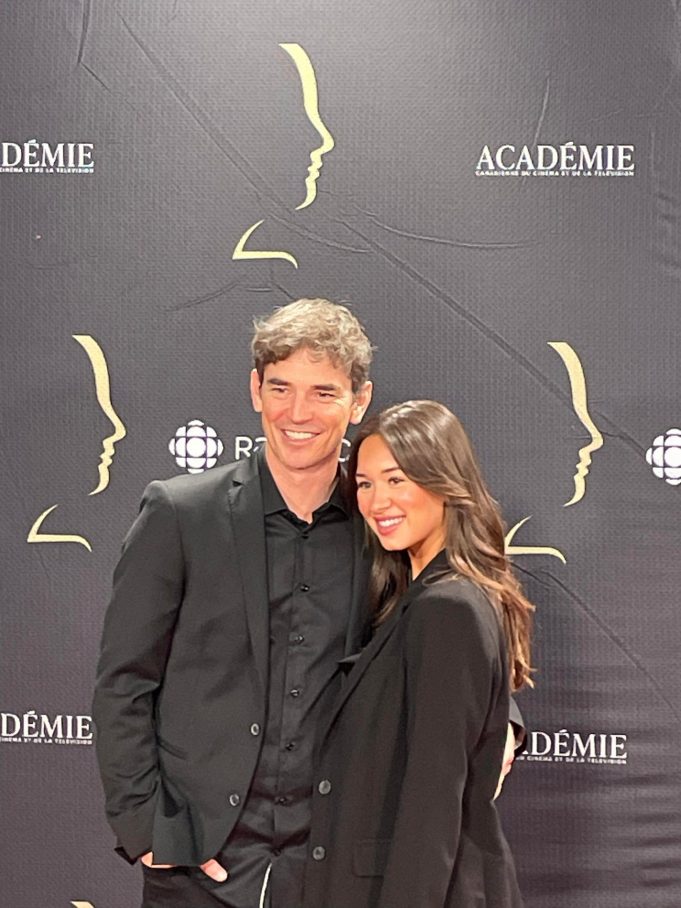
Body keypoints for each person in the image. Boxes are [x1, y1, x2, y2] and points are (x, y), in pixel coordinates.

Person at [92, 298, 374, 908]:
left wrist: (501, 720)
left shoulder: (383, 525)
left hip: (334, 867)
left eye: (324, 392)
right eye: (281, 387)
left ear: (359, 401)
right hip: (197, 869)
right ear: (255, 390)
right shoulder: (180, 513)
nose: (297, 413)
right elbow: (123, 683)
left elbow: (446, 631)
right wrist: (146, 831)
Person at [303, 400, 533, 908]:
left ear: (445, 482)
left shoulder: (447, 608)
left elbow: (433, 798)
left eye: (397, 479)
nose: (377, 501)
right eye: (364, 484)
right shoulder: (424, 597)